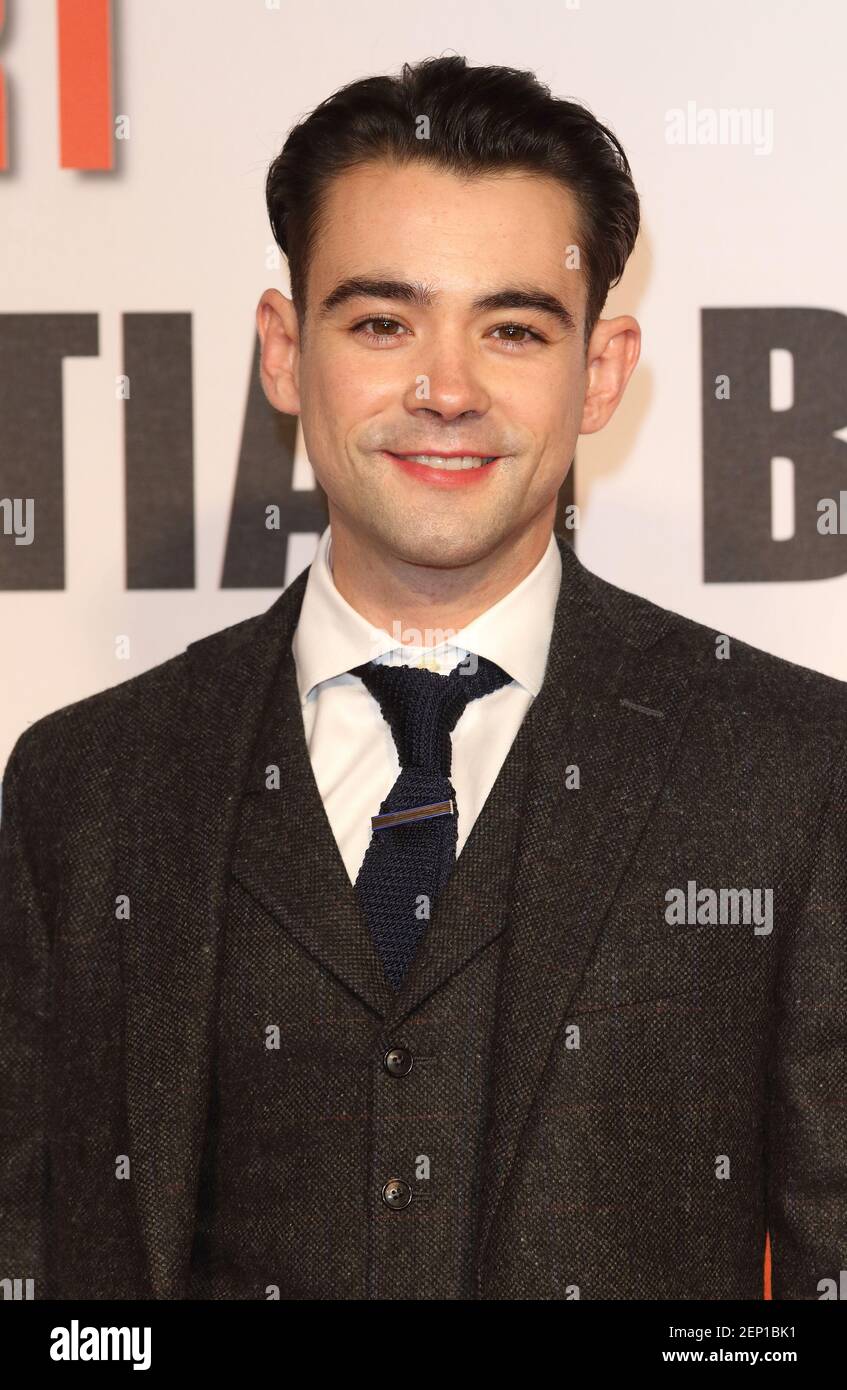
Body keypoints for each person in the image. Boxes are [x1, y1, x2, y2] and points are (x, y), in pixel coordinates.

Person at [1, 55, 845, 1302]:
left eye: (512, 328)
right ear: (284, 352)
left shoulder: (791, 767)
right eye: (381, 322)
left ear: (600, 372)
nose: (444, 391)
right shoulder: (87, 785)